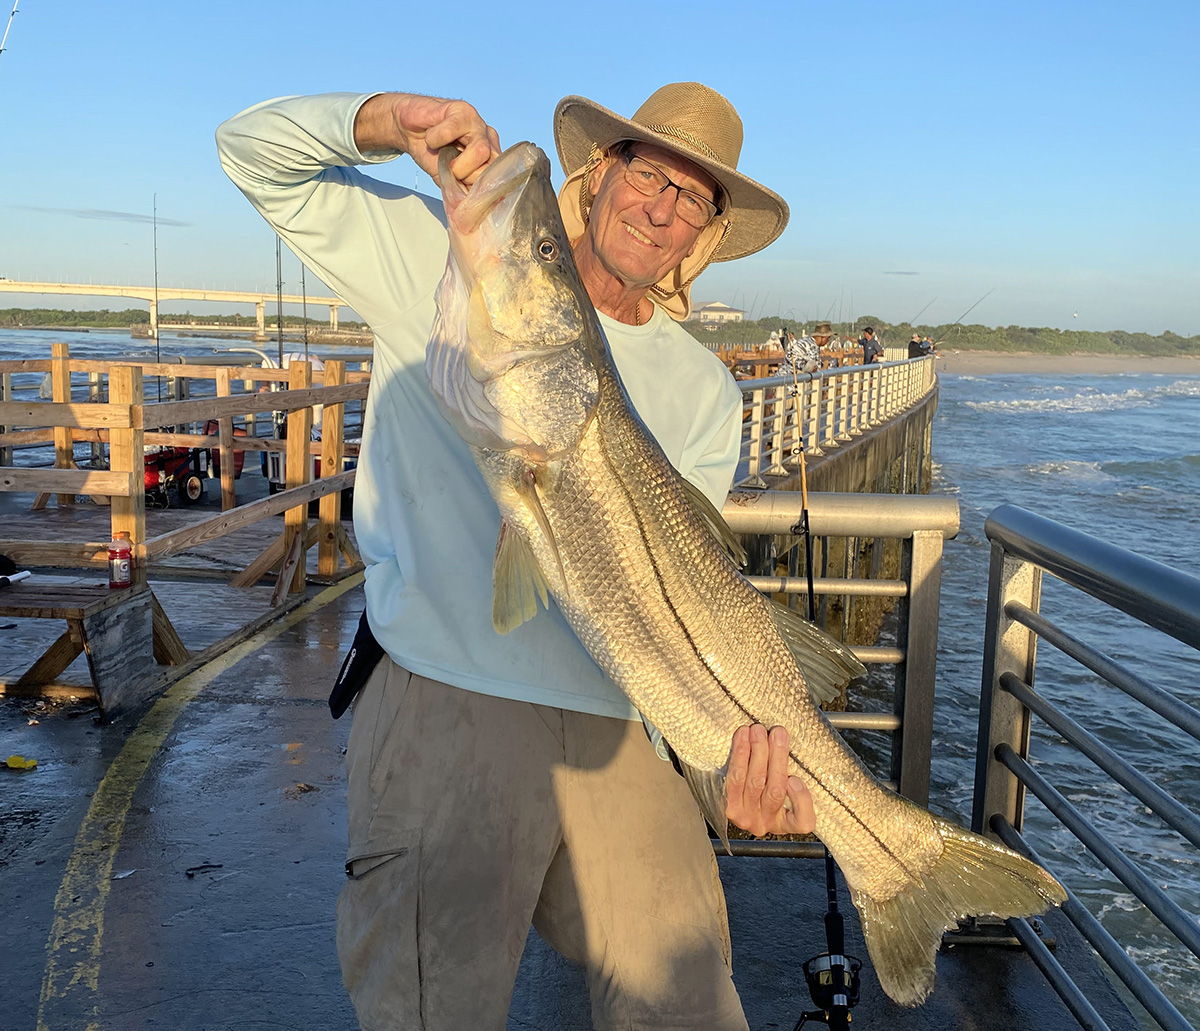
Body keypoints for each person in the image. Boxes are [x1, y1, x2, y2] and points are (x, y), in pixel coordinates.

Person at [217, 84, 815, 1031]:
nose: (660, 207)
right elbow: (251, 152)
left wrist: (732, 757)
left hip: (621, 720)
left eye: (692, 197)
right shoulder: (438, 255)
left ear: (703, 235)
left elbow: (688, 604)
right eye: (646, 172)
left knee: (691, 1007)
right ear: (598, 176)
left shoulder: (706, 391)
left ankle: (893, 862)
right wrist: (380, 123)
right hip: (445, 688)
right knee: (433, 1010)